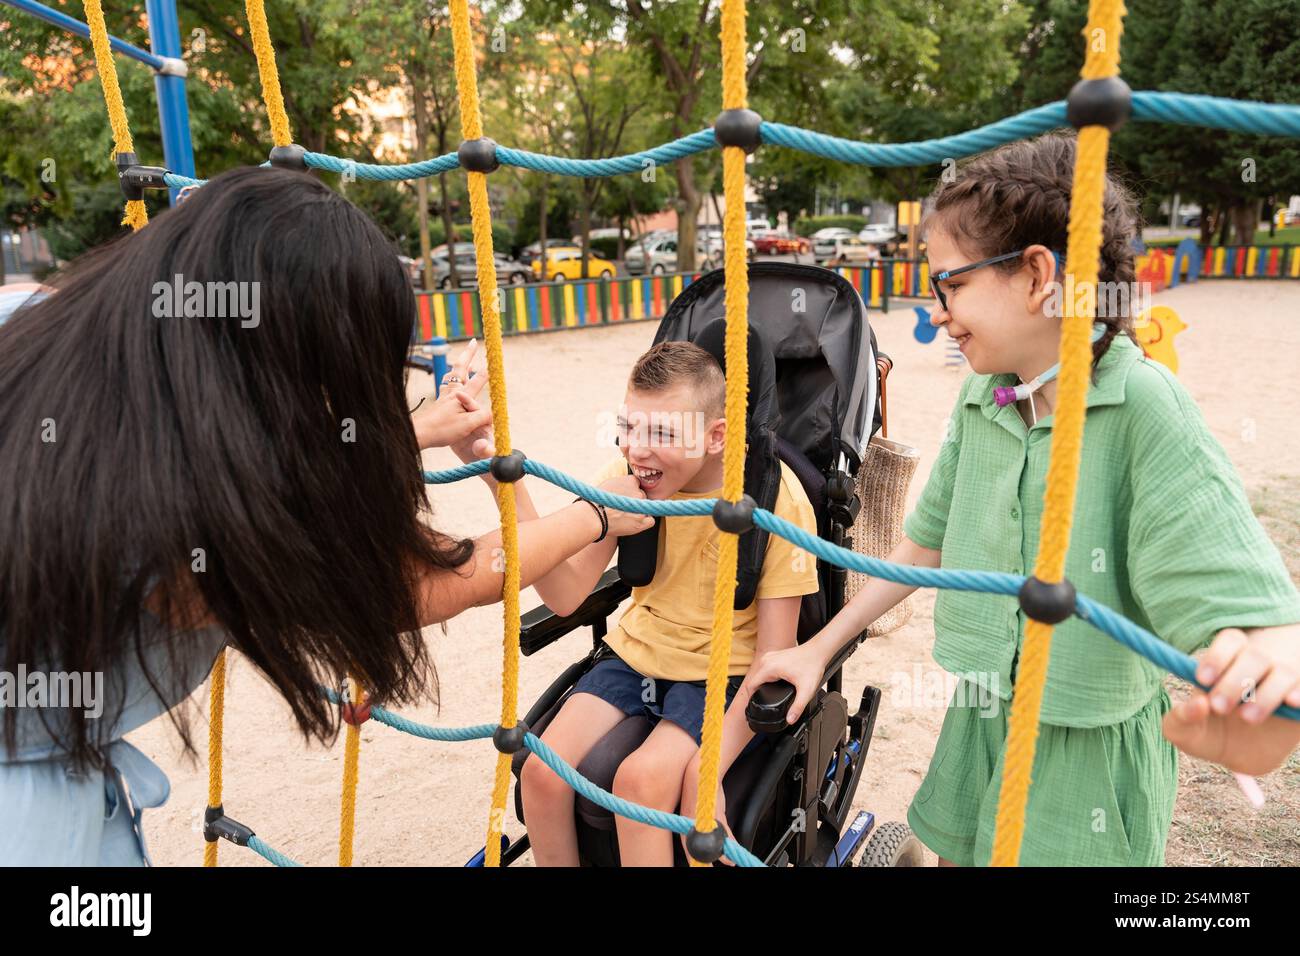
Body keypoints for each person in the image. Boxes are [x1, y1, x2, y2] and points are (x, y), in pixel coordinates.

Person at [0, 166, 652, 865]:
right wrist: (598, 515)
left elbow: (272, 440)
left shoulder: (33, 322)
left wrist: (410, 432)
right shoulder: (195, 517)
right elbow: (430, 580)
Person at [742, 132, 1300, 866]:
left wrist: (1261, 662)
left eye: (951, 284)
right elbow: (923, 545)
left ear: (1039, 274)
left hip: (1082, 755)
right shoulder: (985, 397)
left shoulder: (1142, 406)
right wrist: (817, 650)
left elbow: (1241, 603)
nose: (935, 310)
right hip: (983, 719)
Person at [492, 340, 820, 865]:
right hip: (635, 655)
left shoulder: (774, 502)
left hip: (721, 671)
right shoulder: (625, 486)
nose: (638, 450)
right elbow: (565, 595)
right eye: (630, 427)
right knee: (539, 769)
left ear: (717, 437)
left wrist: (708, 769)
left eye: (663, 433)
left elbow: (774, 655)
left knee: (639, 783)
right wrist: (504, 485)